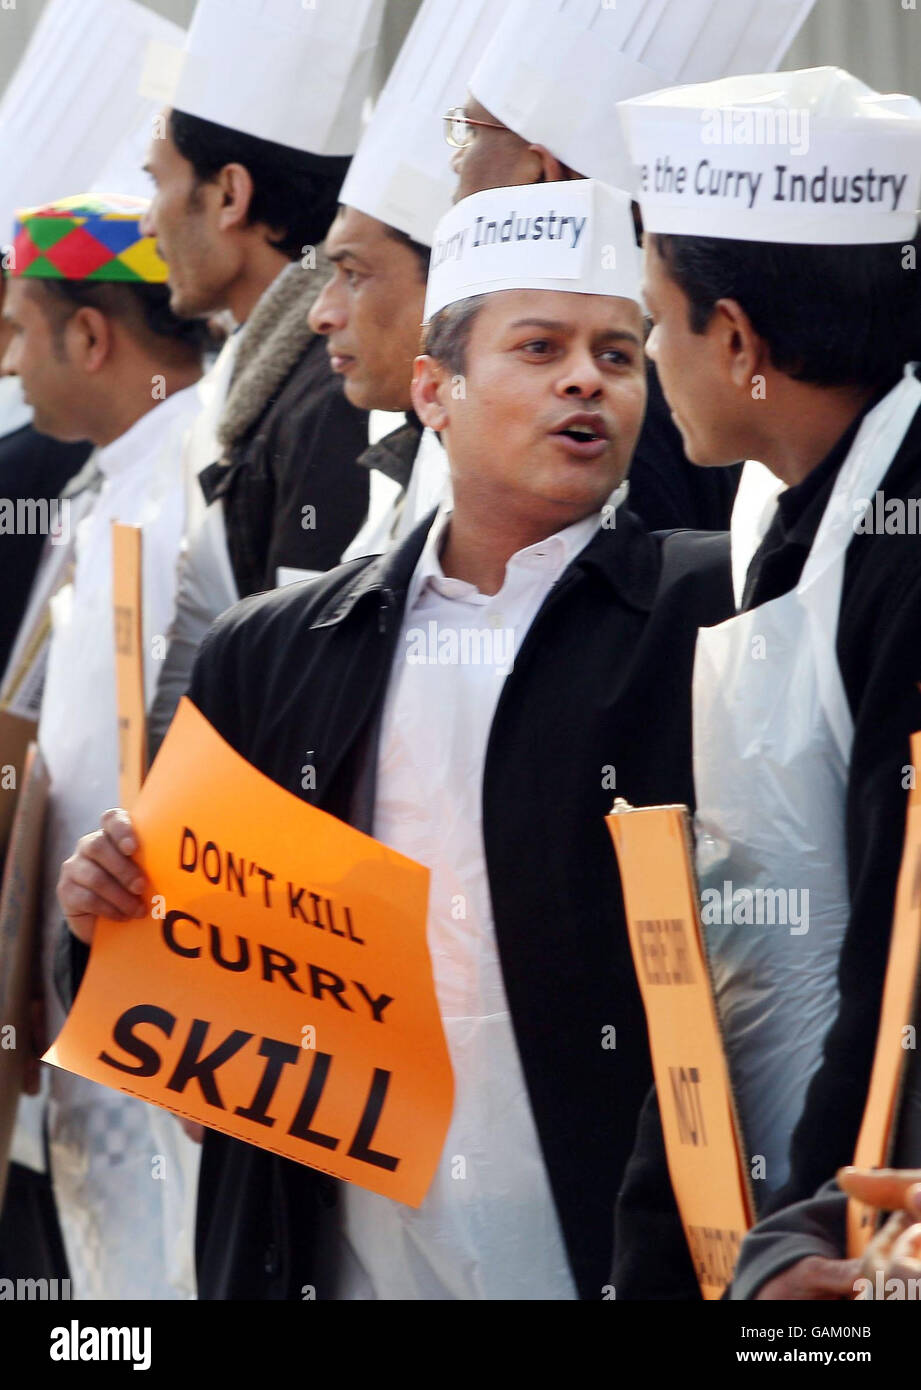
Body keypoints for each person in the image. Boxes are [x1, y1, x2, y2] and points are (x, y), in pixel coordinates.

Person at [57, 180, 733, 1300]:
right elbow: (185, 1011)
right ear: (435, 390)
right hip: (341, 1242)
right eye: (539, 347)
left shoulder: (709, 611)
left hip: (607, 1238)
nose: (586, 379)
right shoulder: (270, 653)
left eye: (619, 355)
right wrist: (110, 910)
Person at [611, 67, 921, 1298]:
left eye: (649, 319)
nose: (639, 358)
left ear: (735, 340)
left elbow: (907, 944)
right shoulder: (793, 508)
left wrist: (824, 1226)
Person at [1, 192, 214, 1300]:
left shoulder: (195, 488)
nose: (9, 362)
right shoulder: (112, 482)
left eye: (19, 330)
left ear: (91, 337)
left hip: (163, 1028)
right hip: (83, 1025)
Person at [143, 0, 384, 744]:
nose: (148, 222)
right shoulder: (263, 383)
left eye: (157, 182)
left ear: (229, 194)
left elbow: (306, 692)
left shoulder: (331, 396)